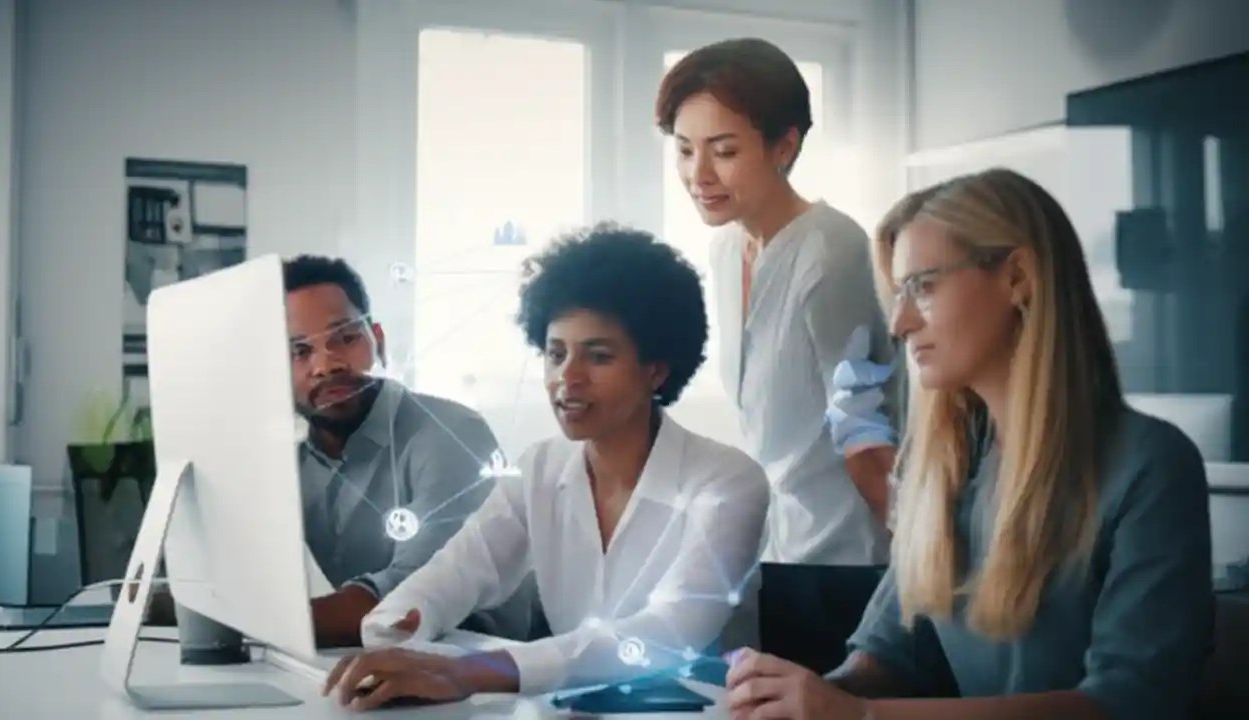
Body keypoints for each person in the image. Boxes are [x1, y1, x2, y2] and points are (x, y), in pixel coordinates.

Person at [724, 169, 1213, 720]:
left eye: (924, 287)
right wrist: (790, 702)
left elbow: (1128, 704)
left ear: (1018, 277)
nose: (902, 322)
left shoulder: (1152, 466)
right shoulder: (943, 469)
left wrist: (858, 716)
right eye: (899, 293)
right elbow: (890, 654)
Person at [320, 224, 770, 710]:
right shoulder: (540, 468)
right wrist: (394, 633)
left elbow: (666, 635)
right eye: (556, 353)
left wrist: (467, 670)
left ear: (655, 369)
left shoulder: (728, 481)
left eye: (598, 356)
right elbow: (456, 573)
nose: (567, 379)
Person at [656, 37, 899, 567]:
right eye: (684, 149)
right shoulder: (726, 248)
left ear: (784, 147)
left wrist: (925, 573)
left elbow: (864, 430)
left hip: (855, 558)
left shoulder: (829, 251)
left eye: (724, 151)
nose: (699, 175)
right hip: (782, 548)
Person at [283, 255, 531, 647]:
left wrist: (247, 624)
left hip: (483, 672)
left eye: (345, 337)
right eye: (300, 352)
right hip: (380, 663)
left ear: (377, 341)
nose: (325, 365)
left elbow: (408, 602)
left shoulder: (450, 433)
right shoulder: (293, 465)